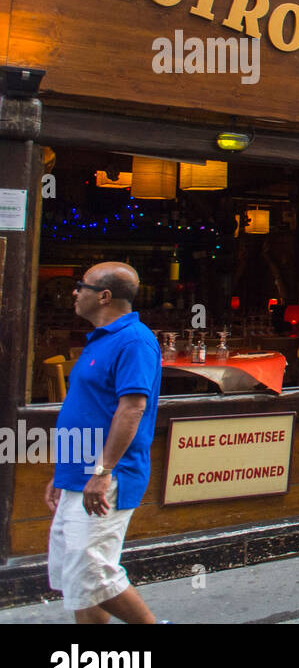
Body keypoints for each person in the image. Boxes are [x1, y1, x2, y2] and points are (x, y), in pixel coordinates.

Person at [45, 263, 162, 623]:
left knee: (93, 571)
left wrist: (103, 471)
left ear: (104, 296)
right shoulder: (102, 338)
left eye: (82, 286)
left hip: (108, 476)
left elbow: (132, 409)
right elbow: (90, 408)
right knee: (76, 574)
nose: (75, 292)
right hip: (78, 473)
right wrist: (62, 475)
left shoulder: (135, 340)